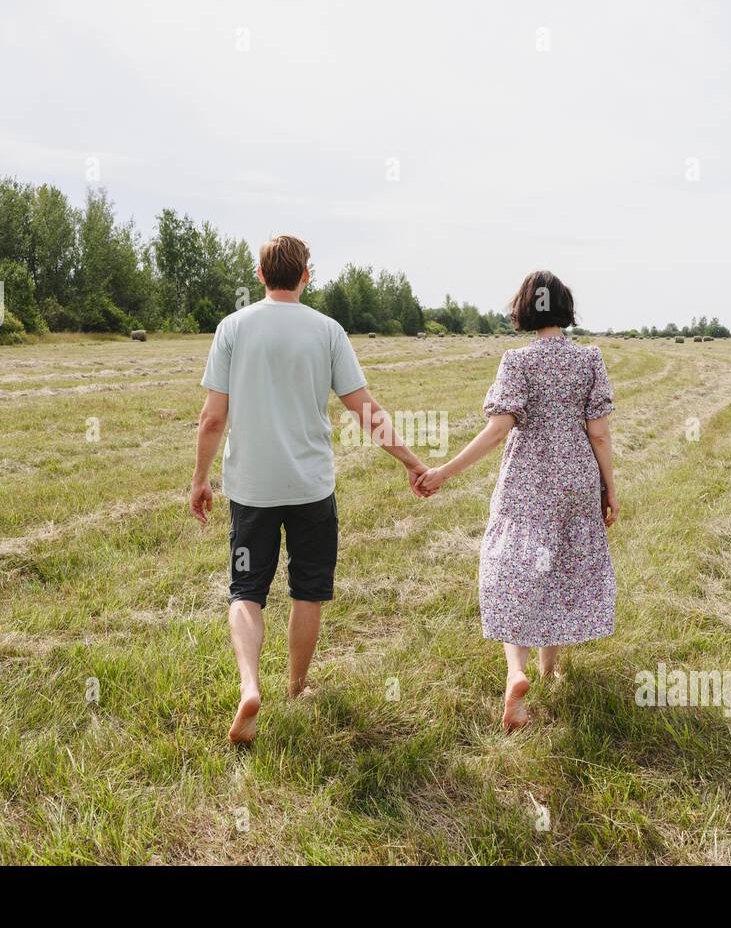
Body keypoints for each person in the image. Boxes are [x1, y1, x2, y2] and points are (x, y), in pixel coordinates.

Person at [190, 234, 433, 744]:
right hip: (310, 487)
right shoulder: (327, 331)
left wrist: (200, 479)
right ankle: (296, 688)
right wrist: (411, 461)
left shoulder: (232, 328)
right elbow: (364, 408)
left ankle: (249, 686)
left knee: (246, 590)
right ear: (307, 275)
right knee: (308, 591)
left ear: (260, 275)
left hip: (250, 489)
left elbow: (213, 418)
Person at [416, 271, 619, 731]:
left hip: (527, 480)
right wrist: (609, 488)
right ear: (565, 308)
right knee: (563, 563)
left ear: (526, 309)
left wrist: (443, 472)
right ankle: (550, 670)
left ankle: (517, 672)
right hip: (576, 479)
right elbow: (600, 433)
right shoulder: (589, 359)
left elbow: (497, 429)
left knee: (513, 568)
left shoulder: (517, 362)